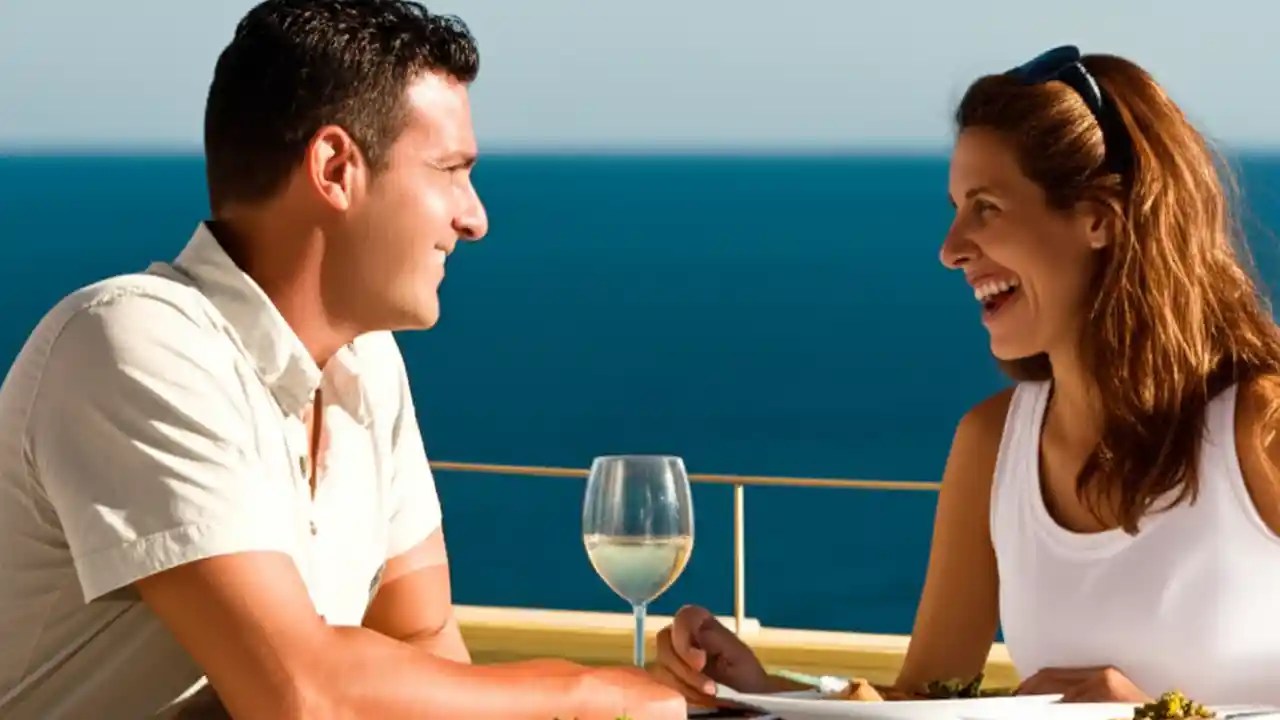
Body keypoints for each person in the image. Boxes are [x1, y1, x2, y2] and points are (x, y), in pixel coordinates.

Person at [0, 2, 684, 719]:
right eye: (449, 170)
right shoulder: (135, 344)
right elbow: (301, 694)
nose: (475, 217)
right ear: (335, 168)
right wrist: (588, 691)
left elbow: (421, 640)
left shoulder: (369, 368)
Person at [654, 45, 1280, 708]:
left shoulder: (1259, 424)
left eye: (987, 207)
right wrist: (755, 690)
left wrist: (1151, 715)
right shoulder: (992, 445)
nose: (951, 249)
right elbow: (923, 702)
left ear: (1100, 220)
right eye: (956, 208)